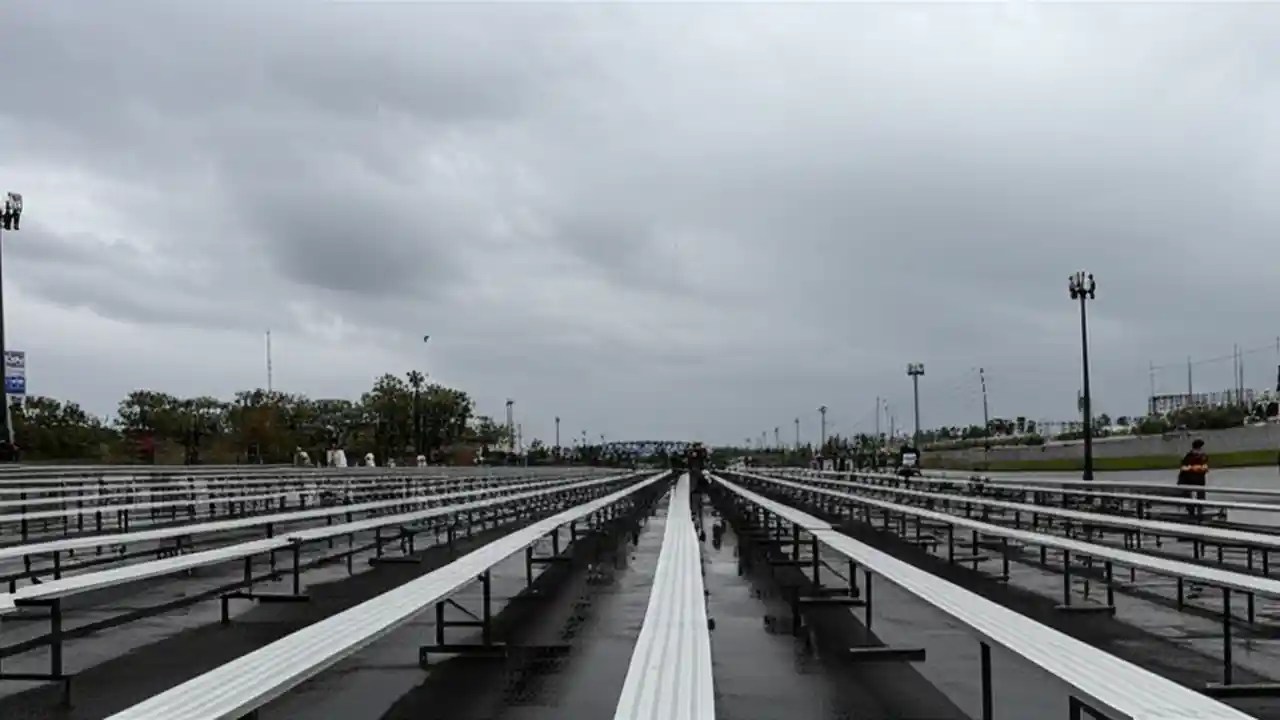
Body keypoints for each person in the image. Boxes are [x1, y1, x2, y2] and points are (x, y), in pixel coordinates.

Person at [1177, 439, 1209, 519]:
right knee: (1187, 492)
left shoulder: (1203, 456)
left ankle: (1200, 509)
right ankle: (1191, 510)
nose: (1200, 450)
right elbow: (1183, 468)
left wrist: (1198, 468)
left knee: (1201, 491)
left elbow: (1205, 467)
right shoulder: (1188, 456)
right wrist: (1193, 468)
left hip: (1199, 481)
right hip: (1188, 481)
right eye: (1199, 448)